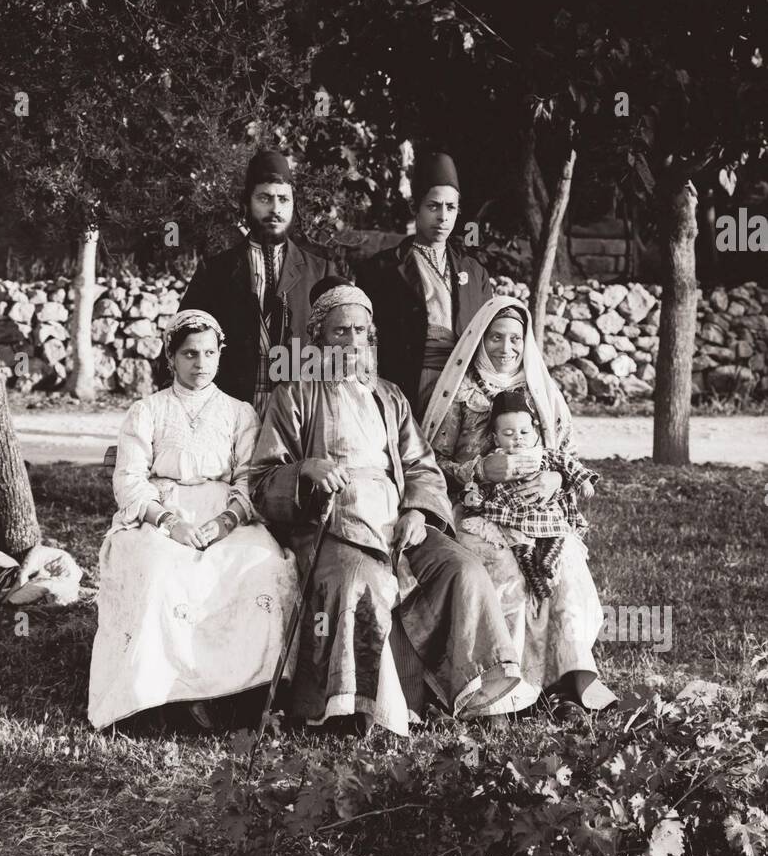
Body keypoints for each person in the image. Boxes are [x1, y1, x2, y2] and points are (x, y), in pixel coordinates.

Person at [249, 279, 522, 736]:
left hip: (397, 518)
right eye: (340, 332)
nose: (352, 342)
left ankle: (465, 695)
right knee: (362, 583)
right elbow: (261, 482)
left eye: (361, 332)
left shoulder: (389, 396)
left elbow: (420, 464)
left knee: (462, 569)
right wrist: (306, 470)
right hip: (333, 523)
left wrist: (419, 512)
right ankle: (363, 711)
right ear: (317, 339)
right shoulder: (294, 393)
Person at [88, 309, 299, 731]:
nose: (200, 363)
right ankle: (163, 699)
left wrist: (224, 523)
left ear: (220, 354)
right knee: (162, 571)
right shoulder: (146, 411)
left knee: (262, 568)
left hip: (228, 516)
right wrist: (170, 524)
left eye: (208, 352)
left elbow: (249, 479)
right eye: (188, 354)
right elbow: (129, 480)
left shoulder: (239, 412)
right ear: (170, 357)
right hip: (159, 515)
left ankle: (246, 697)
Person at [421, 295, 617, 718]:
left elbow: (568, 452)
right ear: (478, 338)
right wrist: (479, 469)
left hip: (542, 512)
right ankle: (508, 690)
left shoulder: (540, 390)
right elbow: (429, 463)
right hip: (477, 512)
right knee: (508, 574)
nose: (505, 348)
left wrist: (556, 477)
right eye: (495, 337)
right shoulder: (459, 393)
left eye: (515, 339)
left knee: (566, 573)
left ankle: (566, 685)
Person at [180, 150, 336, 414]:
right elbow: (182, 340)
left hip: (299, 415)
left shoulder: (320, 272)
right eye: (264, 198)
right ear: (247, 203)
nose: (275, 209)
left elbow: (340, 349)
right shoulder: (216, 271)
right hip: (228, 412)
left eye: (283, 199)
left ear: (292, 205)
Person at [356, 151, 492, 417]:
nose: (442, 217)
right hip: (405, 385)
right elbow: (365, 340)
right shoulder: (382, 269)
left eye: (450, 207)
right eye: (433, 206)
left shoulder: (475, 273)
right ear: (414, 208)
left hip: (461, 386)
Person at [460, 387, 597, 607]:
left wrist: (583, 480)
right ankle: (532, 571)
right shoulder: (494, 458)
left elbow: (568, 462)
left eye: (524, 432)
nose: (518, 439)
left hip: (543, 510)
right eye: (508, 434)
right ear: (496, 438)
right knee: (515, 541)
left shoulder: (543, 454)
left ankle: (548, 558)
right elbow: (481, 485)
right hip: (512, 513)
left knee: (558, 529)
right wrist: (475, 494)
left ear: (534, 432)